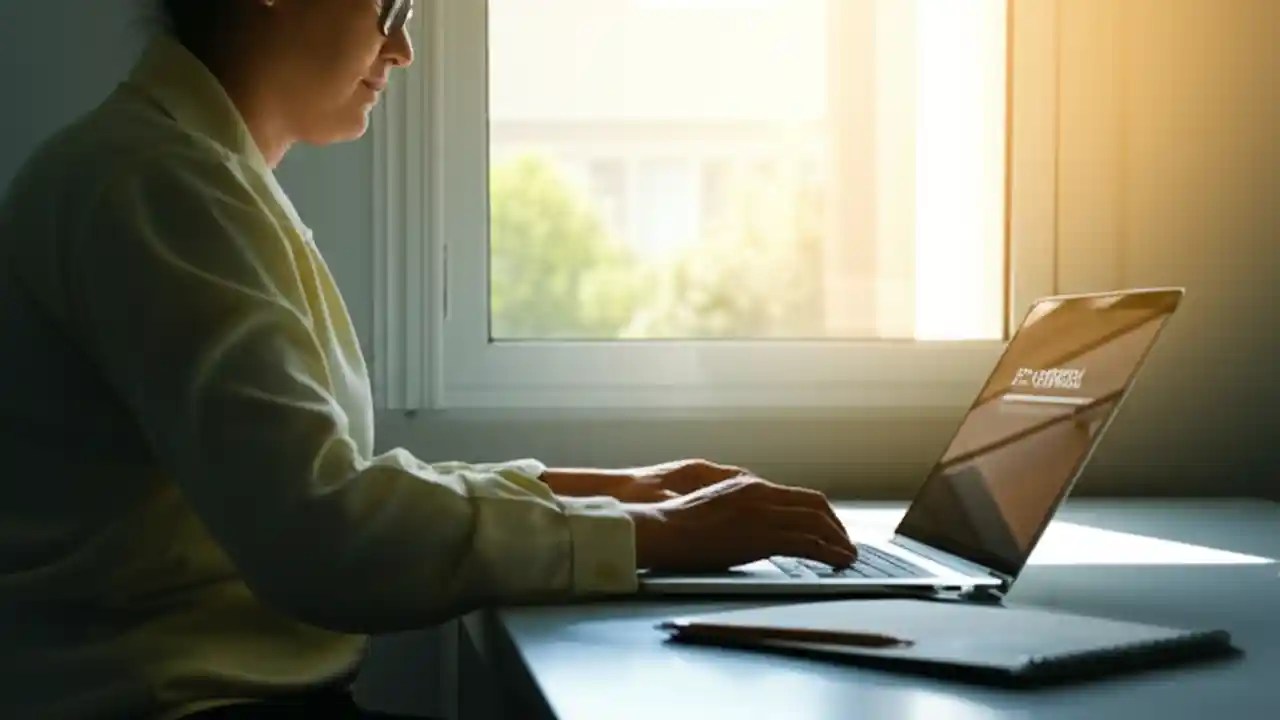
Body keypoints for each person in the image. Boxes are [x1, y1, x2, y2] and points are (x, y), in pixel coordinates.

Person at [0, 1, 855, 718]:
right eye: (390, 6)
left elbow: (321, 486)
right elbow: (320, 531)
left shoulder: (188, 173)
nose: (402, 48)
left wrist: (593, 490)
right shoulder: (154, 184)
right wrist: (652, 534)